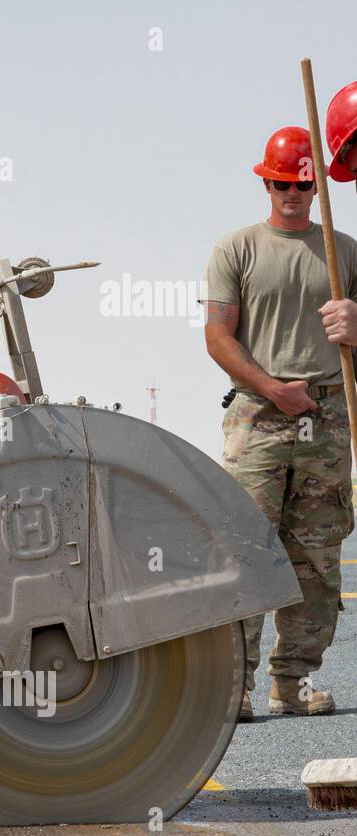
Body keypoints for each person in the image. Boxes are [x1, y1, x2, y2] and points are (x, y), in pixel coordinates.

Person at [202, 126, 357, 722]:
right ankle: (233, 690)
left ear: (316, 187)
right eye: (281, 183)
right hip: (257, 415)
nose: (291, 193)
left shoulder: (344, 251)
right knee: (245, 552)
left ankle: (291, 684)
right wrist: (271, 388)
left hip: (327, 415)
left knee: (316, 557)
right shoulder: (235, 249)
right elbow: (217, 335)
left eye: (301, 184)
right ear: (265, 182)